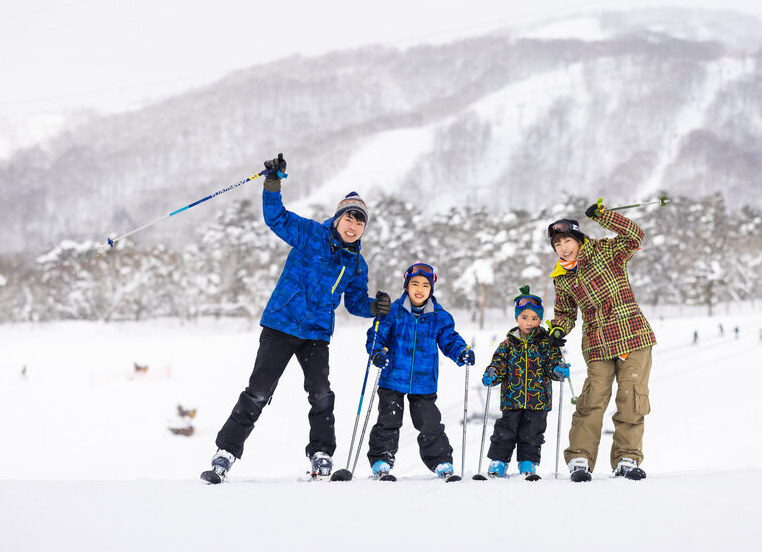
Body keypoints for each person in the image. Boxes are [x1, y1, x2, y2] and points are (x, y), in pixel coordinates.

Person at [203, 155, 392, 483]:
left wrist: (375, 306)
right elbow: (276, 217)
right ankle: (226, 453)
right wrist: (273, 183)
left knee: (321, 393)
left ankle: (321, 453)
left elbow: (355, 302)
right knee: (259, 391)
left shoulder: (356, 264)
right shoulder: (310, 234)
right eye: (349, 217)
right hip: (281, 324)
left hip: (317, 332)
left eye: (360, 222)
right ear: (337, 218)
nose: (353, 226)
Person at [546, 198, 656, 482]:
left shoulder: (606, 251)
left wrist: (605, 217)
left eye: (567, 240)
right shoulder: (561, 278)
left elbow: (635, 236)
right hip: (597, 344)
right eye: (557, 244)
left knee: (631, 398)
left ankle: (627, 458)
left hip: (632, 335)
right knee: (591, 400)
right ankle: (580, 457)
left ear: (578, 239)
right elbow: (565, 312)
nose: (563, 247)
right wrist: (558, 328)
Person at [364, 262, 475, 481]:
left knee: (429, 422)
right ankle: (381, 459)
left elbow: (449, 339)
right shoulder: (394, 312)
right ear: (406, 286)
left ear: (431, 289)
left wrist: (461, 351)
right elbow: (377, 335)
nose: (419, 289)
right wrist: (377, 352)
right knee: (389, 419)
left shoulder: (439, 317)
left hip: (423, 382)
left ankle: (441, 461)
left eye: (425, 285)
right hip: (392, 377)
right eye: (414, 283)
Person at [481, 286, 568, 479]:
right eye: (524, 318)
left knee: (532, 433)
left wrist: (557, 370)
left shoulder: (546, 343)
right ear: (517, 318)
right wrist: (493, 373)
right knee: (505, 431)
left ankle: (527, 462)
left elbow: (552, 364)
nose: (529, 322)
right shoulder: (507, 344)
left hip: (538, 400)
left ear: (540, 320)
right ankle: (499, 462)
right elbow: (499, 363)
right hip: (512, 398)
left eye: (534, 318)